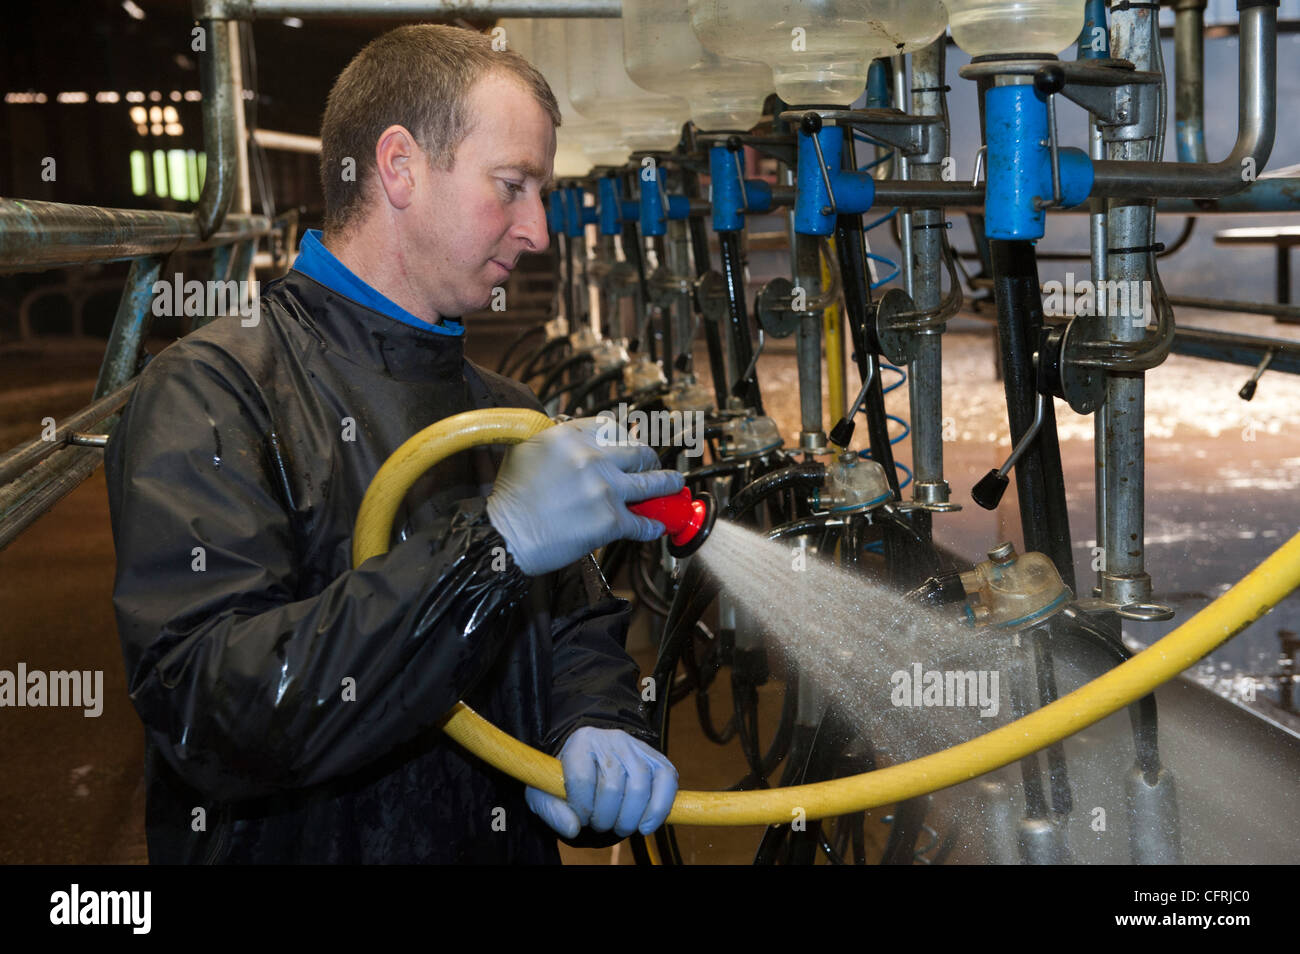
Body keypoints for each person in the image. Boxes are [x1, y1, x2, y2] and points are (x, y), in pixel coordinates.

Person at [104, 23, 682, 864]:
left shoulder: (508, 416)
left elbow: (576, 627)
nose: (538, 232)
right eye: (513, 185)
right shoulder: (214, 392)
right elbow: (213, 704)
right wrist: (493, 546)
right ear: (401, 167)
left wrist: (592, 719)